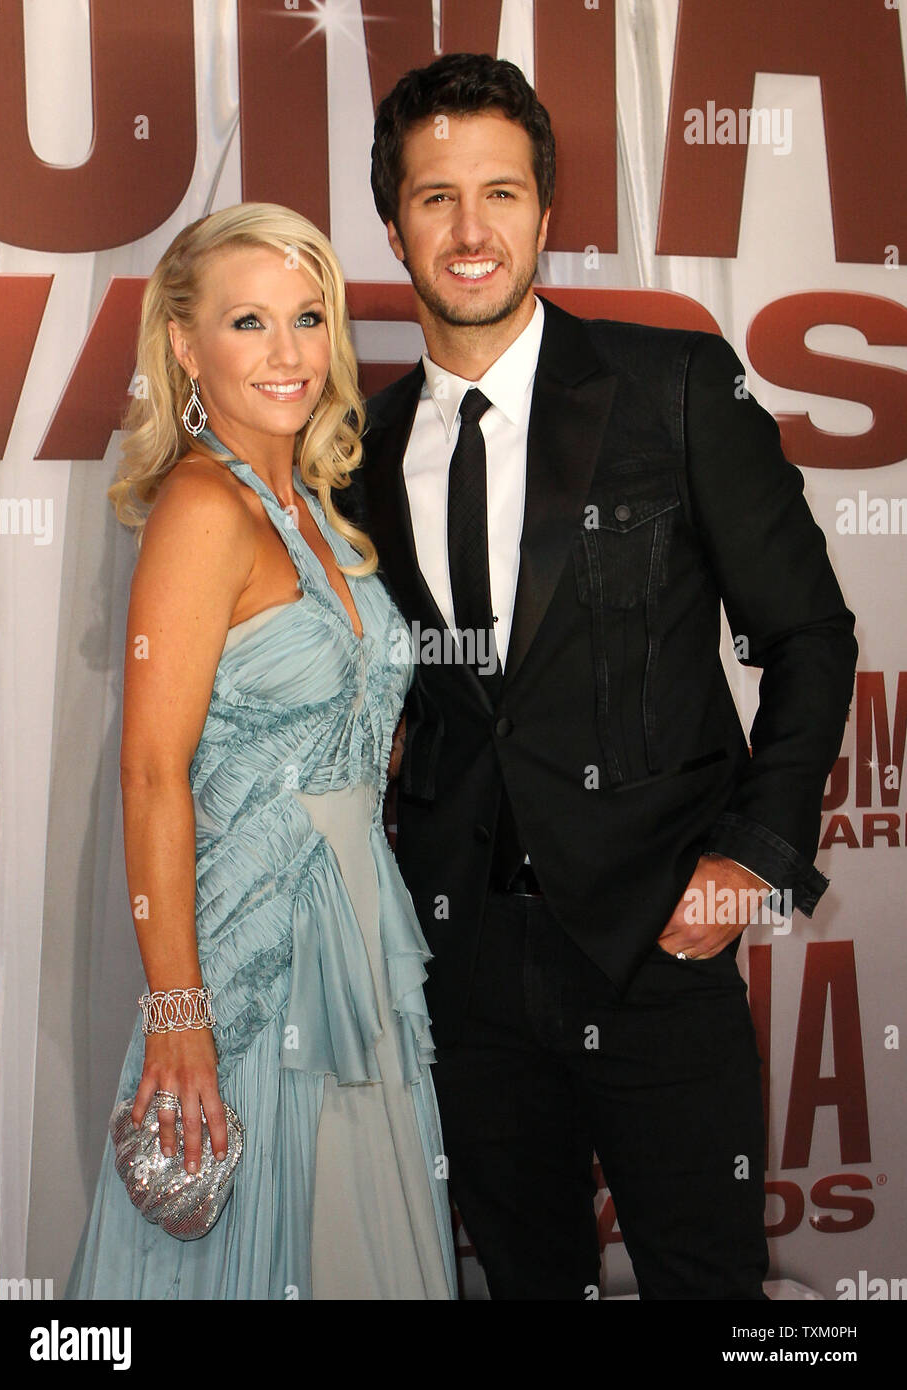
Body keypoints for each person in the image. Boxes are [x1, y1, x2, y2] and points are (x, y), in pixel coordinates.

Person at [346, 53, 858, 1300]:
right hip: (457, 963)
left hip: (654, 952)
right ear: (394, 219)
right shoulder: (352, 451)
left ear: (546, 210)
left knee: (709, 1286)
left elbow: (810, 636)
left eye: (502, 194)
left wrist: (750, 859)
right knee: (526, 1282)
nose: (472, 232)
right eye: (435, 198)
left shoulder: (674, 387)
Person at [64, 202, 457, 1300]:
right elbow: (151, 775)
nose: (290, 354)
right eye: (249, 322)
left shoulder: (322, 510)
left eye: (308, 317)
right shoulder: (201, 504)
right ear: (185, 344)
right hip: (259, 950)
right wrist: (179, 1013)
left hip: (360, 933)